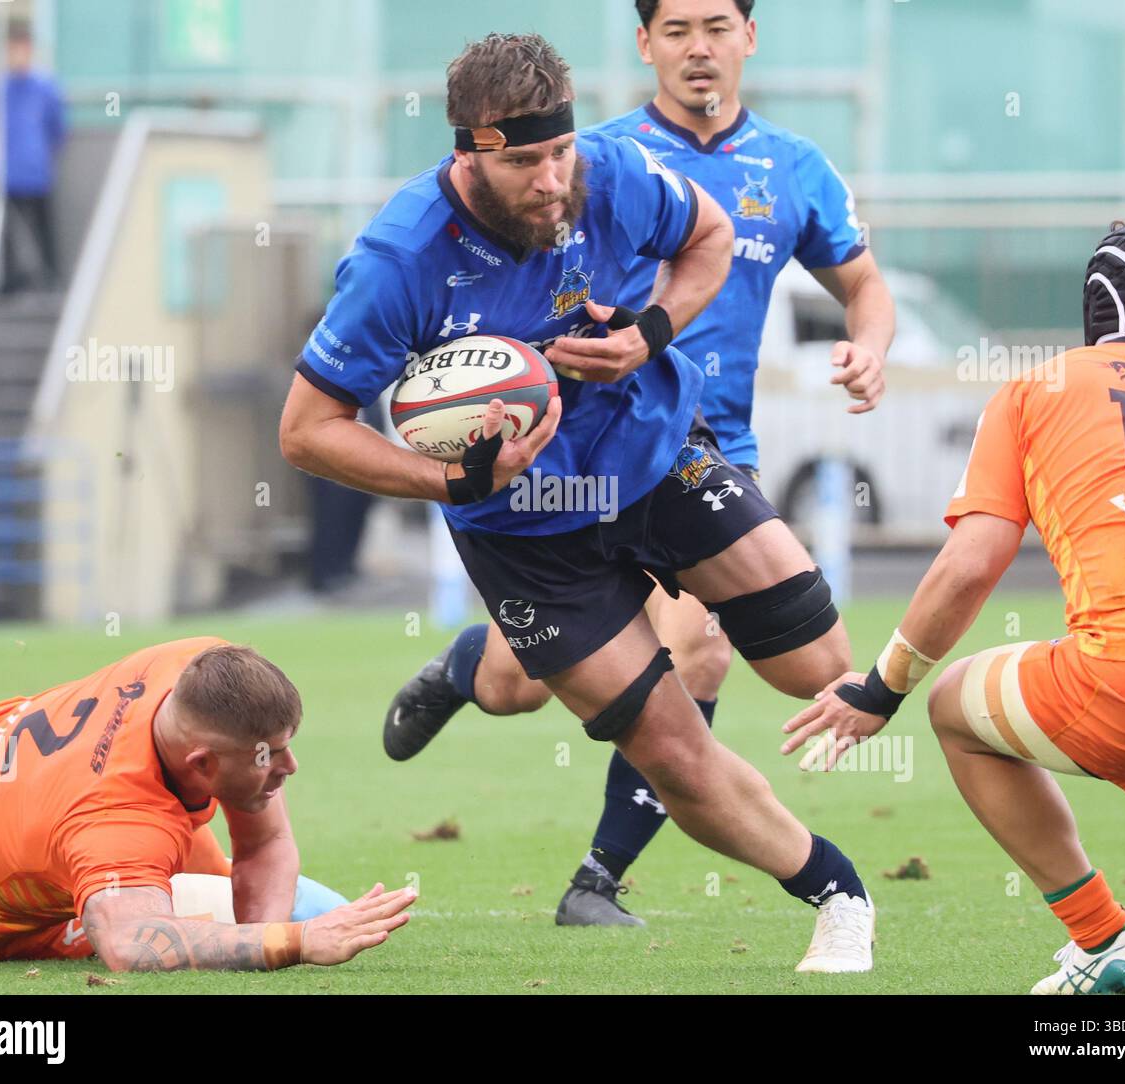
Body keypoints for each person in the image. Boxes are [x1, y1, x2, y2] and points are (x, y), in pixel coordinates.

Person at [281, 31, 875, 971]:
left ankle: (473, 663)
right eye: (523, 162)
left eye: (558, 152)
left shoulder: (612, 172)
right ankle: (839, 893)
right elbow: (307, 429)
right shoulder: (400, 259)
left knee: (820, 665)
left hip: (652, 457)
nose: (552, 181)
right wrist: (451, 478)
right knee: (674, 751)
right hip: (524, 538)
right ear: (468, 151)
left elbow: (708, 236)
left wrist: (650, 331)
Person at [780, 221, 1125, 994]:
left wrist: (880, 691)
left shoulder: (1033, 388)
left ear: (1098, 303)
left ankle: (1102, 937)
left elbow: (971, 565)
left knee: (953, 709)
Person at [0, 638, 416, 970]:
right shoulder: (116, 827)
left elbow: (265, 842)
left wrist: (270, 930)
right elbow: (130, 943)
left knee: (288, 907)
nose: (290, 767)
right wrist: (295, 941)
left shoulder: (205, 667)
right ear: (200, 764)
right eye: (267, 755)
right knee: (306, 912)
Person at [0, 24, 66, 295]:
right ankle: (10, 281)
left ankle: (51, 280)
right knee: (6, 232)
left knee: (43, 227)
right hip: (7, 174)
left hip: (37, 172)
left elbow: (57, 129)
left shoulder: (45, 88)